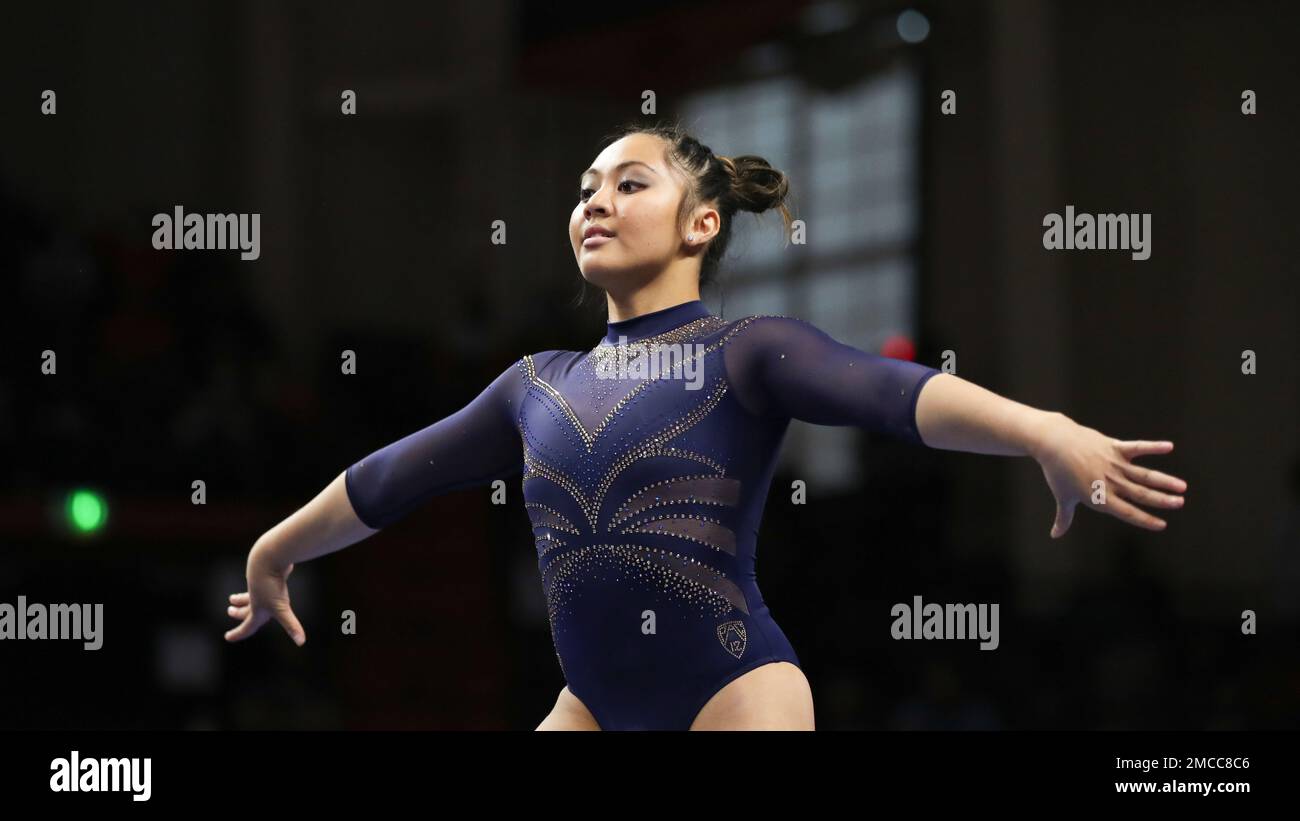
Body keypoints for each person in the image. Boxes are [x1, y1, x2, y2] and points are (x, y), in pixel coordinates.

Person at [224, 122, 1188, 730]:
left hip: (736, 694)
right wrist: (276, 547)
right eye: (585, 187)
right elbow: (390, 478)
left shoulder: (746, 350)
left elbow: (892, 394)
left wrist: (1043, 430)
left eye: (630, 182)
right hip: (591, 708)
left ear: (702, 224)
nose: (596, 200)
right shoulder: (534, 385)